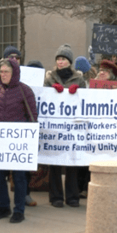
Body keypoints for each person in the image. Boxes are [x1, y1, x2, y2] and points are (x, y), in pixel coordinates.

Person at [0, 58, 38, 223]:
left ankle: (19, 210)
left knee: (19, 178)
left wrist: (31, 139)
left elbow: (32, 117)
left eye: (6, 72)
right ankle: (4, 207)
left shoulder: (25, 91)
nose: (3, 75)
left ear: (14, 72)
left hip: (18, 143)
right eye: (1, 72)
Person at [44, 44, 86, 208]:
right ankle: (56, 197)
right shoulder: (50, 78)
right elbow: (44, 97)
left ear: (69, 61)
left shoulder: (79, 79)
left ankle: (72, 196)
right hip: (55, 125)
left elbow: (85, 99)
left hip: (72, 126)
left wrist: (79, 92)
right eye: (58, 59)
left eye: (63, 59)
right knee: (55, 162)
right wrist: (51, 91)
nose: (60, 62)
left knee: (72, 162)